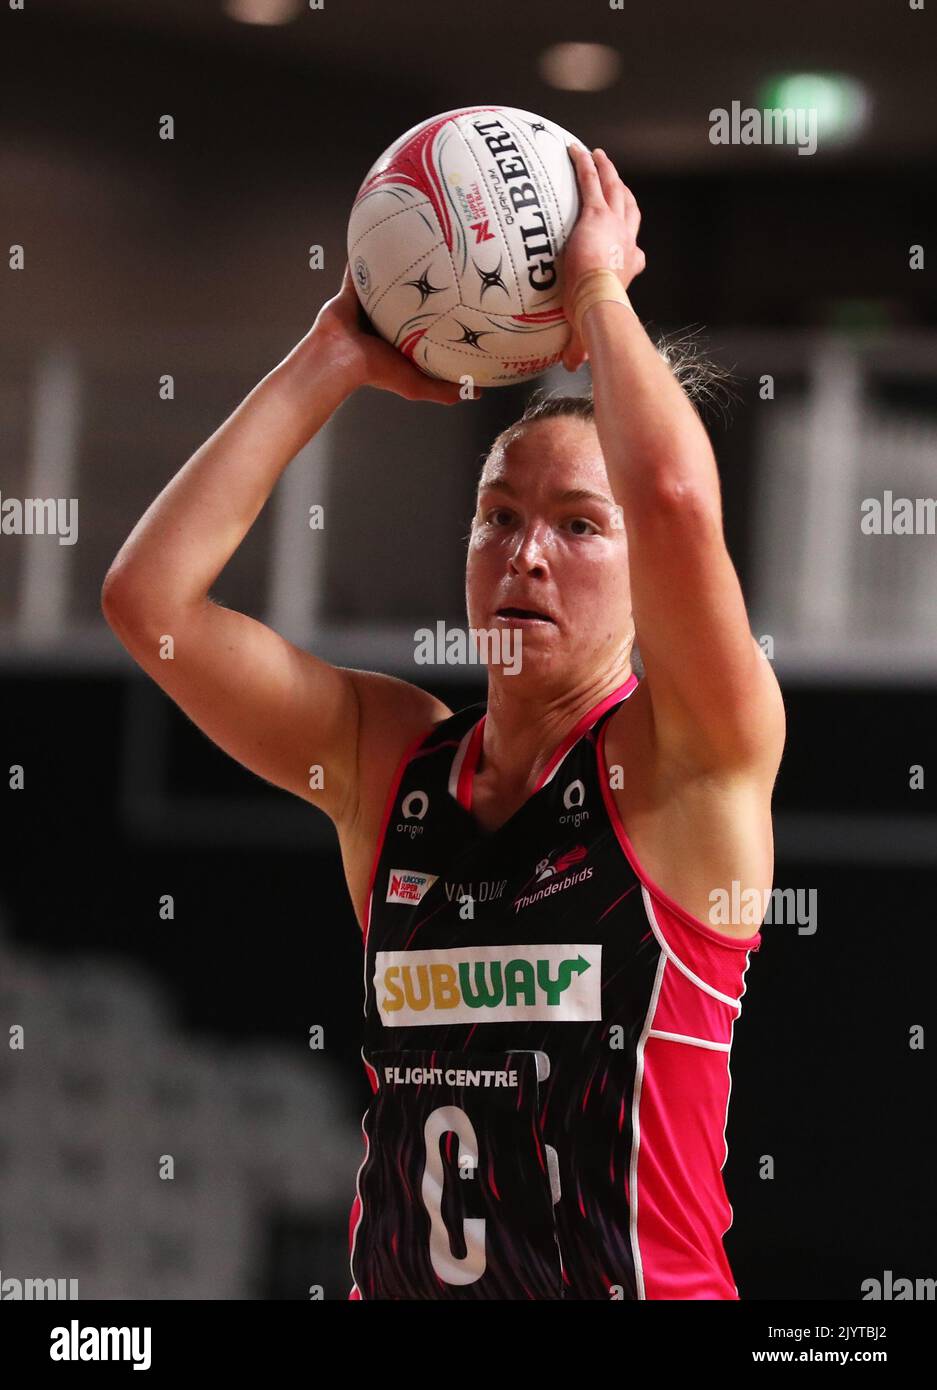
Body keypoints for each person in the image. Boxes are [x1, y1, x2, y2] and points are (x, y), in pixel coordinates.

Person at [102, 145, 785, 1299]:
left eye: (578, 526)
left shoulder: (690, 762)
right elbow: (148, 601)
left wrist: (600, 293)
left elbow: (670, 495)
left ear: (642, 573)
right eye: (497, 515)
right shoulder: (392, 763)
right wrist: (328, 356)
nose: (524, 552)